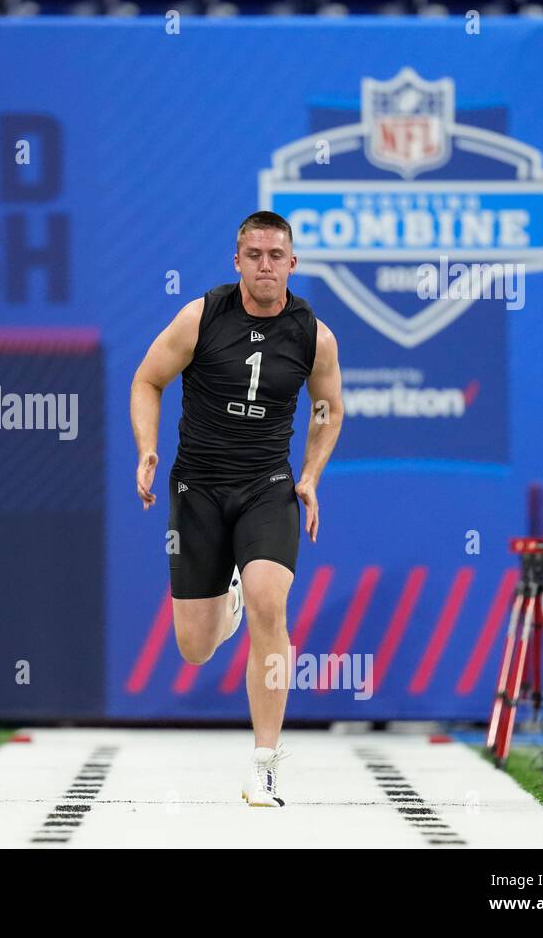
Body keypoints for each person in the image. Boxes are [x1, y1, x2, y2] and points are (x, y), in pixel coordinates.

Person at [129, 210, 344, 806]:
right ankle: (228, 597)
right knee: (195, 648)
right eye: (254, 255)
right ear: (237, 261)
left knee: (272, 607)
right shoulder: (201, 316)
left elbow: (329, 409)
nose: (265, 265)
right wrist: (147, 452)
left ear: (292, 263)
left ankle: (264, 762)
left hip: (265, 485)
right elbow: (147, 380)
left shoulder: (314, 334)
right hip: (196, 486)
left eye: (277, 255)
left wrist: (310, 476)